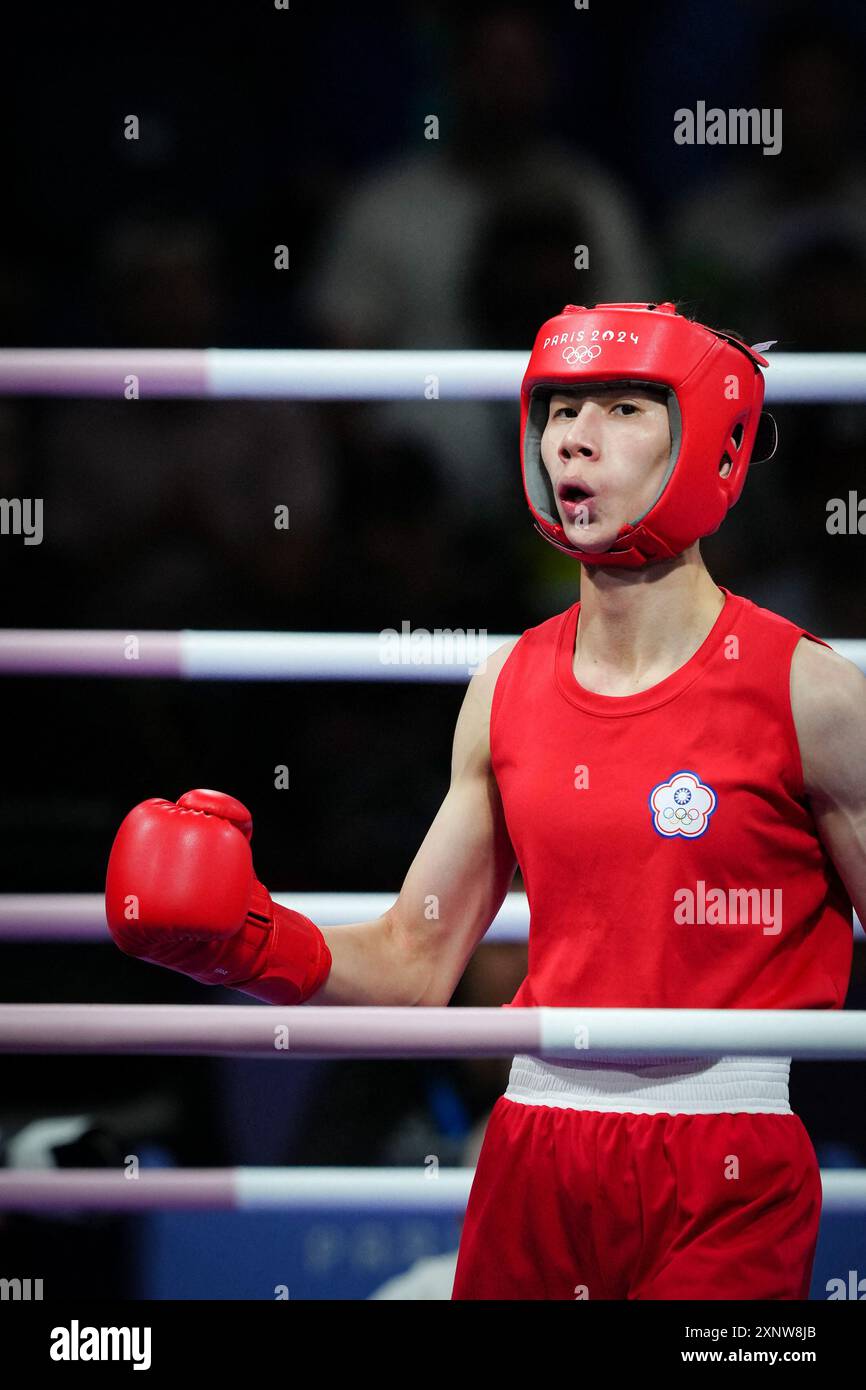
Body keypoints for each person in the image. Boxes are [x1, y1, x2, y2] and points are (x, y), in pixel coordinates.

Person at [105, 301, 866, 1300]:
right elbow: (416, 964)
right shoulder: (503, 688)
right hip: (532, 1147)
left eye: (624, 407)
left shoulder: (807, 692)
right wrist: (246, 939)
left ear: (710, 444)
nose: (576, 436)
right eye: (559, 410)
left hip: (727, 1163)